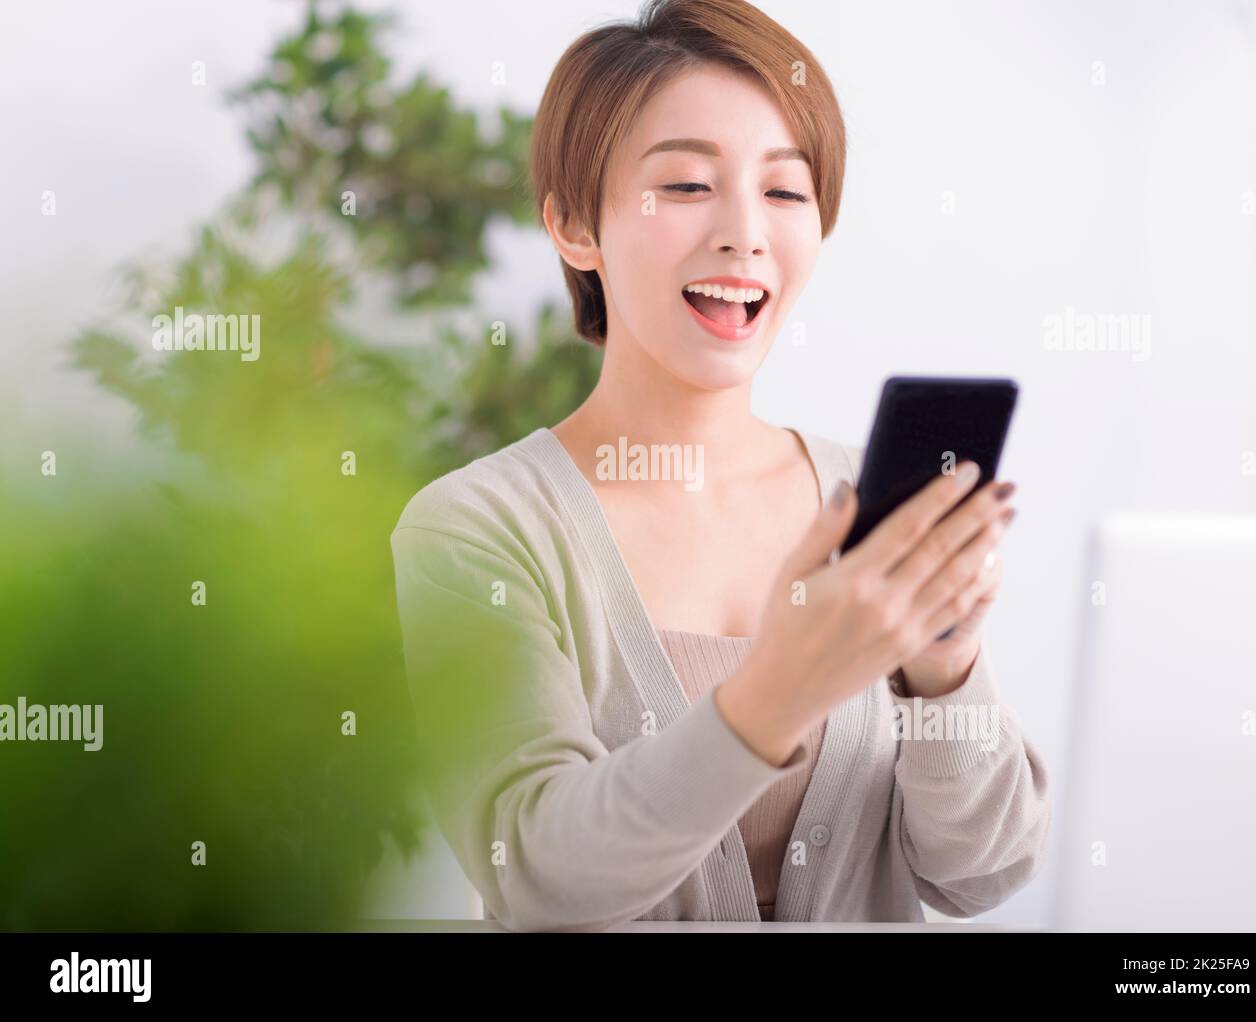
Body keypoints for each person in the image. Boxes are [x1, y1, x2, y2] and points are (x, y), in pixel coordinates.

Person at [391, 0, 1050, 932]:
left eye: (786, 192)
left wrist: (946, 668)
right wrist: (771, 697)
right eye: (690, 185)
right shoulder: (478, 529)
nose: (746, 232)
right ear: (575, 223)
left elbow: (983, 874)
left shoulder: (867, 504)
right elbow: (535, 876)